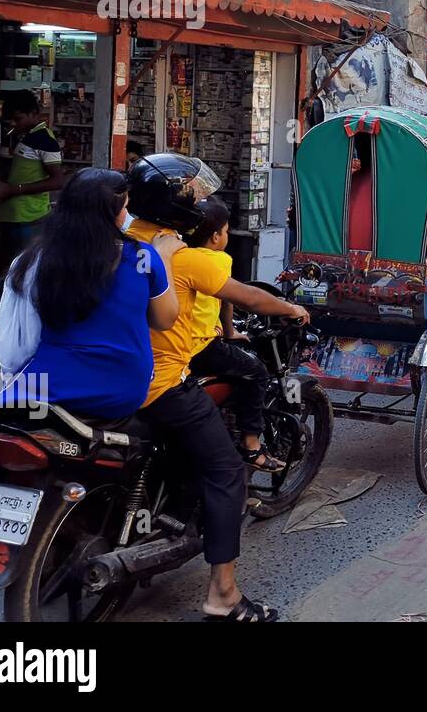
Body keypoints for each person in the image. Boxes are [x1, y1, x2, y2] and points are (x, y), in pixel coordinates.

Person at [125, 153, 311, 622]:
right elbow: (249, 297)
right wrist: (290, 310)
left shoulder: (119, 242)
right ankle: (223, 594)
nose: (202, 199)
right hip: (158, 383)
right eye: (195, 193)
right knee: (227, 472)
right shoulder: (183, 258)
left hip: (109, 377)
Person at [0, 169, 181, 510]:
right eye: (124, 208)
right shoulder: (142, 256)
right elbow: (166, 319)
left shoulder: (37, 258)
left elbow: (17, 341)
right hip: (121, 387)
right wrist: (165, 257)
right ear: (111, 214)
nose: (127, 216)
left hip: (47, 383)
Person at [184, 197, 283, 472]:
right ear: (216, 236)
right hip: (200, 347)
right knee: (256, 371)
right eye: (226, 231)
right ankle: (251, 444)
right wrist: (230, 332)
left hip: (175, 345)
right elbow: (230, 299)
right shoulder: (218, 260)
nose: (226, 236)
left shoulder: (175, 254)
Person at [0, 91, 66, 300]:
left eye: (19, 118)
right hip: (12, 216)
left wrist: (12, 190)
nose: (14, 123)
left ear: (35, 113)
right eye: (11, 119)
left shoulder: (45, 140)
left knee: (19, 276)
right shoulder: (26, 138)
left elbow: (57, 181)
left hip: (30, 219)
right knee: (3, 274)